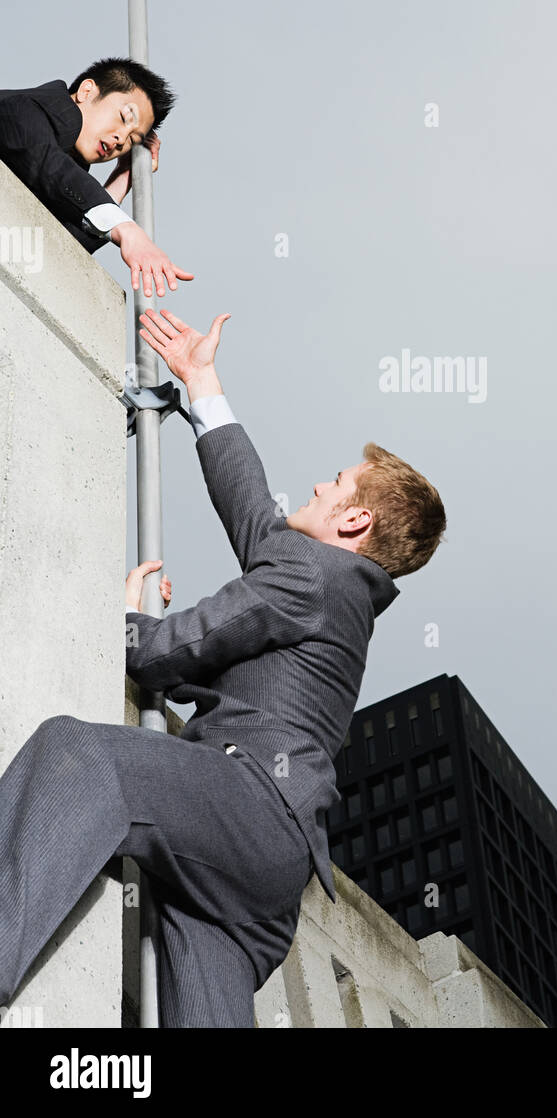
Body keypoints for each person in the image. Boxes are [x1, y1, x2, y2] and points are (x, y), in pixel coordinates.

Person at [0, 307, 446, 1026]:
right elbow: (256, 520)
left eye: (335, 484)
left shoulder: (314, 578)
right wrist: (202, 383)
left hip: (247, 805)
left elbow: (162, 654)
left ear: (355, 522)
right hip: (265, 878)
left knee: (81, 754)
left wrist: (121, 621)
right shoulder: (334, 589)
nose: (319, 487)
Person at [0, 57, 193, 298]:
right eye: (124, 118)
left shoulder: (63, 173)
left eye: (132, 140)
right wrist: (126, 228)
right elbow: (48, 166)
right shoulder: (21, 108)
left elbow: (55, 251)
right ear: (87, 91)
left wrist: (124, 175)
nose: (122, 140)